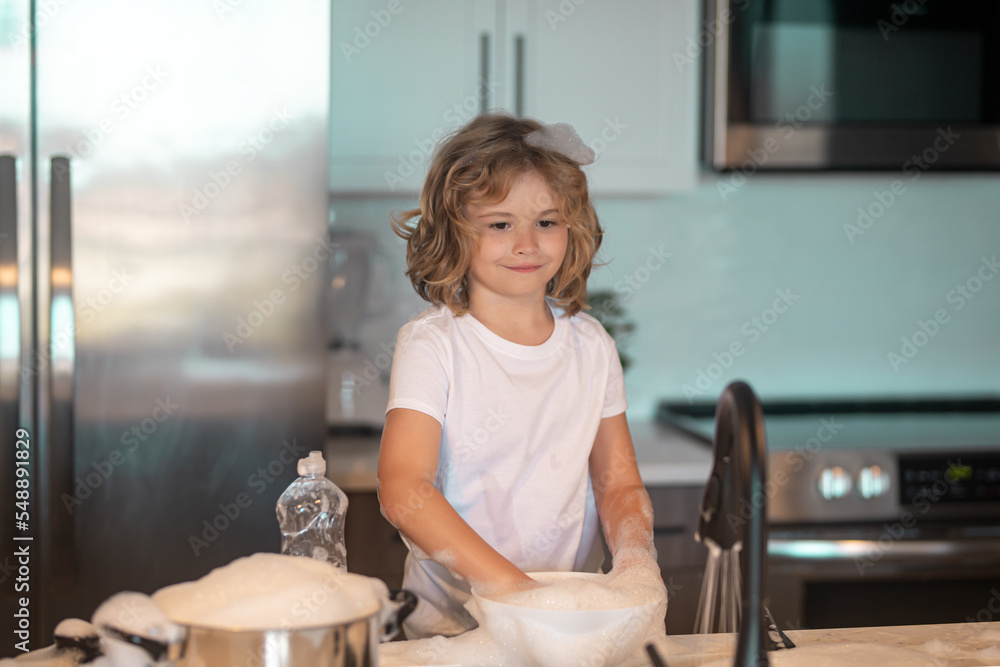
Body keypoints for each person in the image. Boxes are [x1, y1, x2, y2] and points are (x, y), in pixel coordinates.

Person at [377, 112, 665, 639]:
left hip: (566, 625)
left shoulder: (592, 346)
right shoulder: (434, 345)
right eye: (500, 224)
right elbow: (404, 490)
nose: (527, 243)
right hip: (449, 633)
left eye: (547, 221)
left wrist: (637, 565)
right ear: (455, 232)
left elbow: (618, 482)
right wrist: (521, 597)